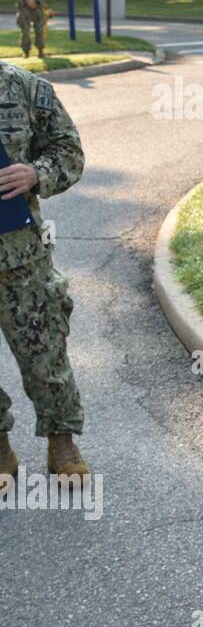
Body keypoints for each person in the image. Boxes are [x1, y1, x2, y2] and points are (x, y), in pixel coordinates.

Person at [0, 59, 88, 490]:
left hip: (20, 258)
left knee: (44, 353)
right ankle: (0, 448)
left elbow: (69, 151)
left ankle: (61, 442)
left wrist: (37, 173)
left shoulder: (25, 87)